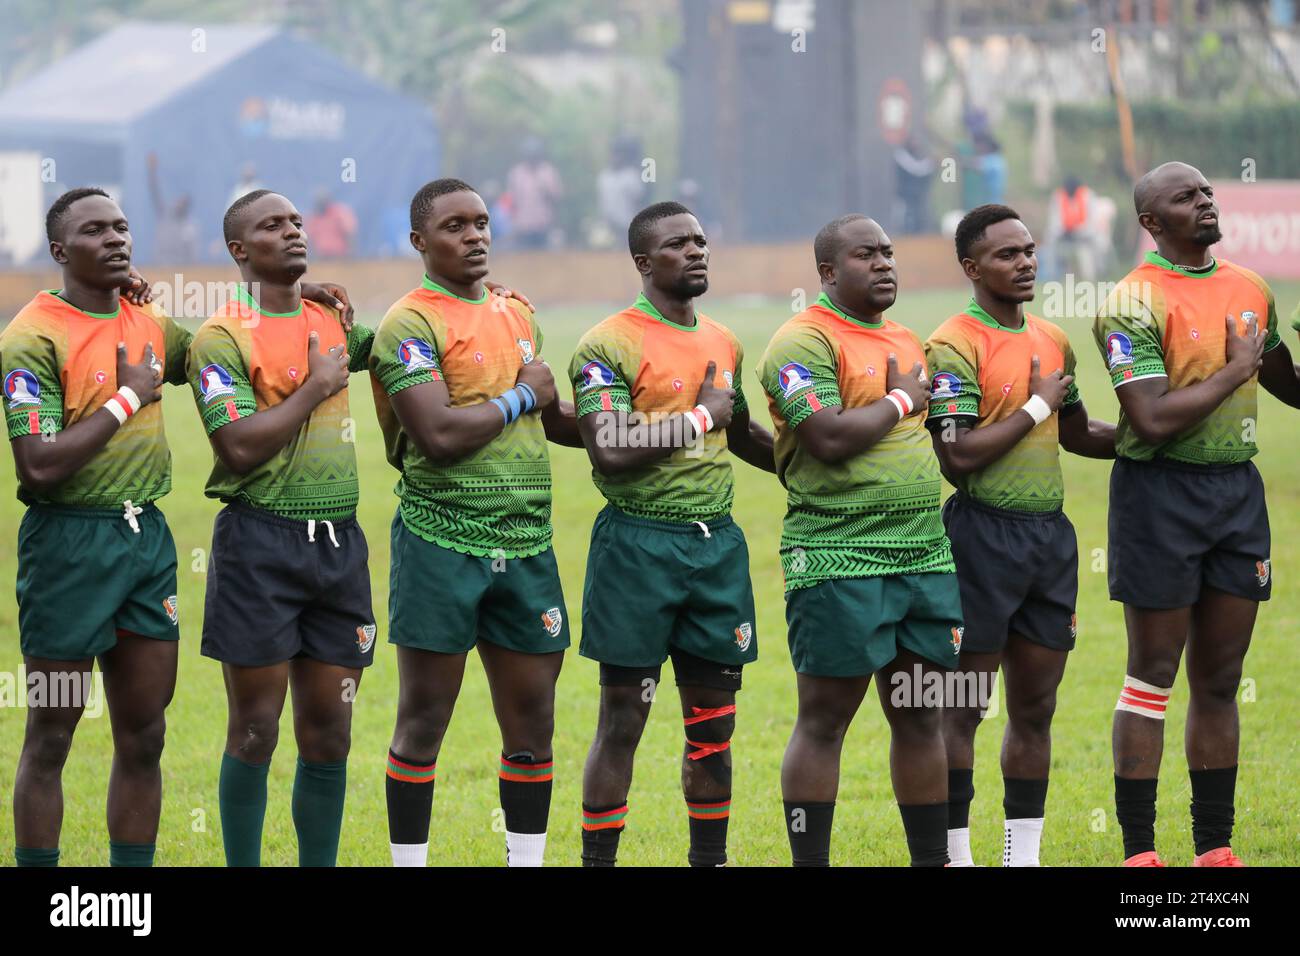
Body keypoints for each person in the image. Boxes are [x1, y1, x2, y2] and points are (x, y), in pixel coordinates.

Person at [370, 178, 581, 868]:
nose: (475, 236)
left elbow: (557, 421)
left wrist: (654, 431)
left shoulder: (519, 312)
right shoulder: (409, 323)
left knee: (533, 724)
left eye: (482, 223)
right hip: (441, 540)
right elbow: (437, 434)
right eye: (456, 226)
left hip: (526, 544)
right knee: (424, 719)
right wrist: (524, 394)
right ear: (419, 242)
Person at [1094, 161, 1300, 867]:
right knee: (1153, 671)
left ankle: (1214, 848)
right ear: (1153, 222)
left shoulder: (1251, 289)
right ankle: (1139, 851)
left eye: (1208, 192)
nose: (1205, 202)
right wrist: (1233, 372)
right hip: (1159, 497)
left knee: (1219, 677)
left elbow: (1291, 389)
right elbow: (1149, 419)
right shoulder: (1131, 301)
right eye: (1186, 197)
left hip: (1236, 496)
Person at [570, 201, 775, 867]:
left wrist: (815, 467)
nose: (696, 252)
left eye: (701, 241)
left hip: (715, 548)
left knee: (715, 727)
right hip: (638, 547)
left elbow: (739, 431)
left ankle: (708, 861)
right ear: (643, 262)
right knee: (623, 720)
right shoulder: (608, 343)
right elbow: (608, 447)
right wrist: (697, 419)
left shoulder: (723, 341)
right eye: (678, 244)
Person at [759, 215, 957, 867]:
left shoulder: (905, 338)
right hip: (838, 558)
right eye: (865, 254)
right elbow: (828, 437)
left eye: (889, 253)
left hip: (924, 556)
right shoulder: (800, 342)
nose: (884, 263)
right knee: (825, 721)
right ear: (827, 272)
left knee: (922, 717)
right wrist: (902, 400)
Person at [188, 189, 376, 867]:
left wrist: (477, 291)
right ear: (240, 250)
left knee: (330, 734)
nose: (293, 231)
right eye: (273, 225)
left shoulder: (333, 315)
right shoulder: (221, 337)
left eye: (296, 221)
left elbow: (397, 355)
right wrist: (316, 388)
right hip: (258, 546)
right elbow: (236, 445)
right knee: (255, 732)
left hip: (339, 547)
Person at [925, 204, 1115, 867]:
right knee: (965, 705)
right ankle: (954, 853)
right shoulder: (952, 343)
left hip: (1049, 543)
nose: (1026, 262)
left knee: (1034, 708)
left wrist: (1159, 433)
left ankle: (1022, 857)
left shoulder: (1053, 340)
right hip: (980, 538)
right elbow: (958, 457)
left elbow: (1080, 433)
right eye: (1008, 254)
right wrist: (1035, 403)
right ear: (973, 268)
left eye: (1030, 250)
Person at [2, 188, 184, 868]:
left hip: (147, 545)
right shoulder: (30, 337)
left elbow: (232, 343)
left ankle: (128, 895)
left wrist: (295, 286)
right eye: (95, 231)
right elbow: (40, 464)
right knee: (51, 734)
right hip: (67, 549)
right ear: (59, 251)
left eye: (122, 227)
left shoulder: (148, 320)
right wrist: (130, 394)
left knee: (146, 735)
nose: (115, 239)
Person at [505, 137, 563, 250]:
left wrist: (546, 191)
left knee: (544, 261)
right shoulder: (516, 173)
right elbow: (511, 201)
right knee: (524, 261)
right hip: (523, 226)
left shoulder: (548, 172)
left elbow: (557, 198)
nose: (532, 157)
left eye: (534, 154)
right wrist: (512, 224)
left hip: (543, 225)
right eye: (529, 154)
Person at [146, 153, 199, 262]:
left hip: (181, 268)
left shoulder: (190, 227)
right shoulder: (165, 215)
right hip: (162, 263)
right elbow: (155, 193)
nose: (178, 203)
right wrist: (152, 172)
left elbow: (193, 254)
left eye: (183, 202)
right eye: (179, 201)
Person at [305, 189, 358, 260]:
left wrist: (351, 252)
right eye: (319, 202)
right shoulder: (313, 219)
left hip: (340, 256)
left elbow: (349, 233)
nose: (321, 204)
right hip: (322, 257)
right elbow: (309, 239)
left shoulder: (339, 214)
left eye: (323, 201)